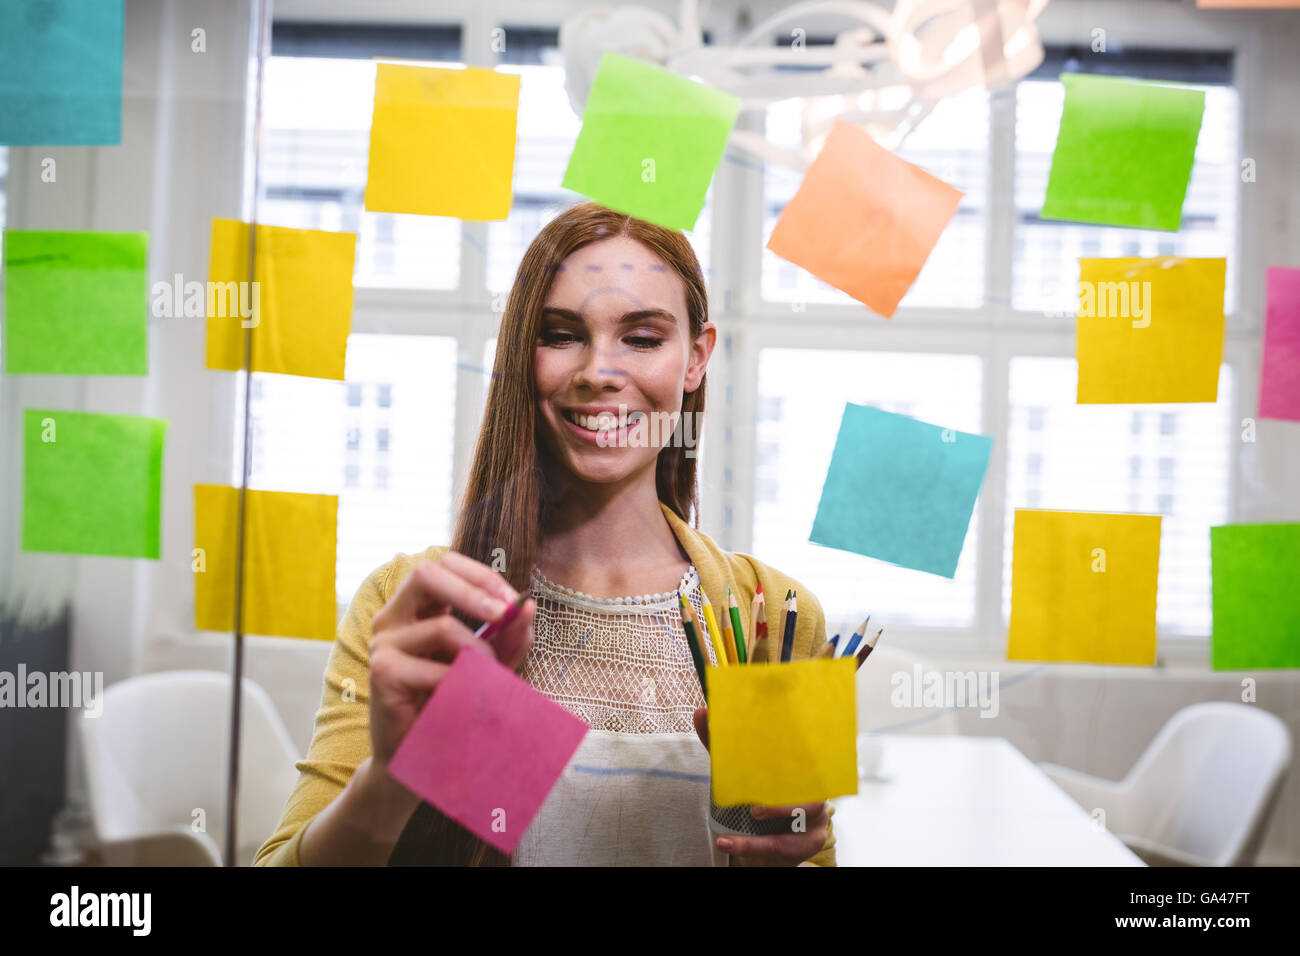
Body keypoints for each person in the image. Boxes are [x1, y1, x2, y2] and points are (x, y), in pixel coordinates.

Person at [254, 201, 836, 867]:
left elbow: (806, 850)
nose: (598, 371)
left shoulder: (775, 617)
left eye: (642, 339)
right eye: (560, 335)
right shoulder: (422, 605)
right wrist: (391, 778)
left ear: (697, 358)